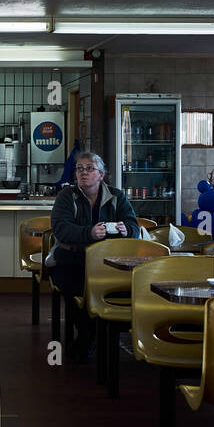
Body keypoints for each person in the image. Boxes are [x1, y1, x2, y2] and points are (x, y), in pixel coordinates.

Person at [48, 150, 140, 360]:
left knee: (123, 288)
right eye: (79, 169)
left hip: (109, 262)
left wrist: (126, 229)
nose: (83, 173)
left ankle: (109, 333)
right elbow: (60, 228)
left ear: (101, 175)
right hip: (73, 258)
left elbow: (134, 225)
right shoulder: (66, 196)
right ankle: (88, 336)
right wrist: (88, 233)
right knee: (74, 288)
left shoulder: (117, 196)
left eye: (90, 169)